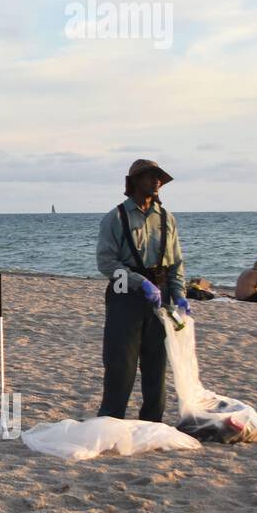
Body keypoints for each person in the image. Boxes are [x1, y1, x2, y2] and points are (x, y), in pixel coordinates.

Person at [95, 159, 188, 422]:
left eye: (159, 177)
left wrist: (179, 293)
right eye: (150, 177)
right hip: (125, 293)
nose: (157, 181)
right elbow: (106, 263)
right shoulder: (115, 217)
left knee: (156, 364)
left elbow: (176, 261)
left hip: (161, 296)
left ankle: (152, 422)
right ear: (135, 181)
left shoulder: (167, 219)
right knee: (120, 363)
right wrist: (139, 282)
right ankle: (111, 419)